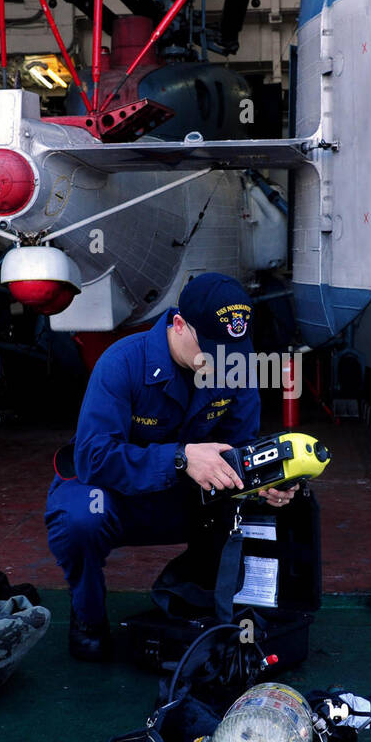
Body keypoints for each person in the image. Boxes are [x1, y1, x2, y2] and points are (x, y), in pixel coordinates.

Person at [45, 273, 296, 660]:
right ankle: (89, 618)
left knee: (269, 507)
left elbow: (241, 449)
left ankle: (213, 603)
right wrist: (181, 458)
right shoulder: (121, 362)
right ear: (178, 324)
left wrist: (266, 482)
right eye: (209, 348)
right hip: (119, 496)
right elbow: (92, 457)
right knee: (79, 518)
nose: (220, 361)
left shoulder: (233, 361)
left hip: (189, 500)